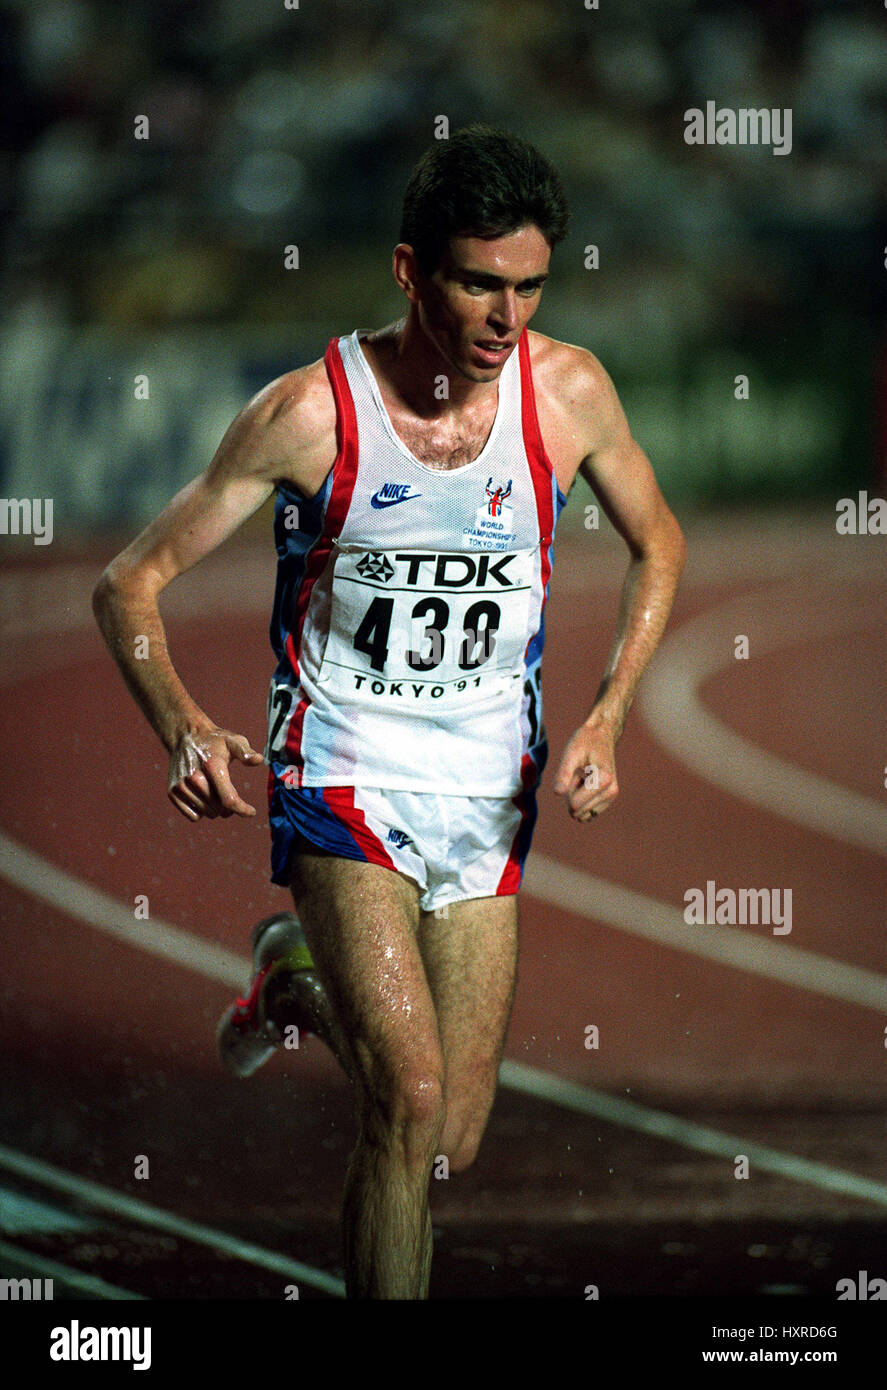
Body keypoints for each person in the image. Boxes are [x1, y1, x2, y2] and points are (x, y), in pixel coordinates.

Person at [92, 124, 686, 1300]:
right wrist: (181, 722)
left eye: (527, 285)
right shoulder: (309, 416)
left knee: (450, 1140)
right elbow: (128, 584)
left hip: (486, 787)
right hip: (340, 770)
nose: (504, 316)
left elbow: (657, 538)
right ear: (412, 270)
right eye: (476, 282)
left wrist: (613, 709)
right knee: (404, 1099)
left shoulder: (566, 395)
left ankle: (287, 978)